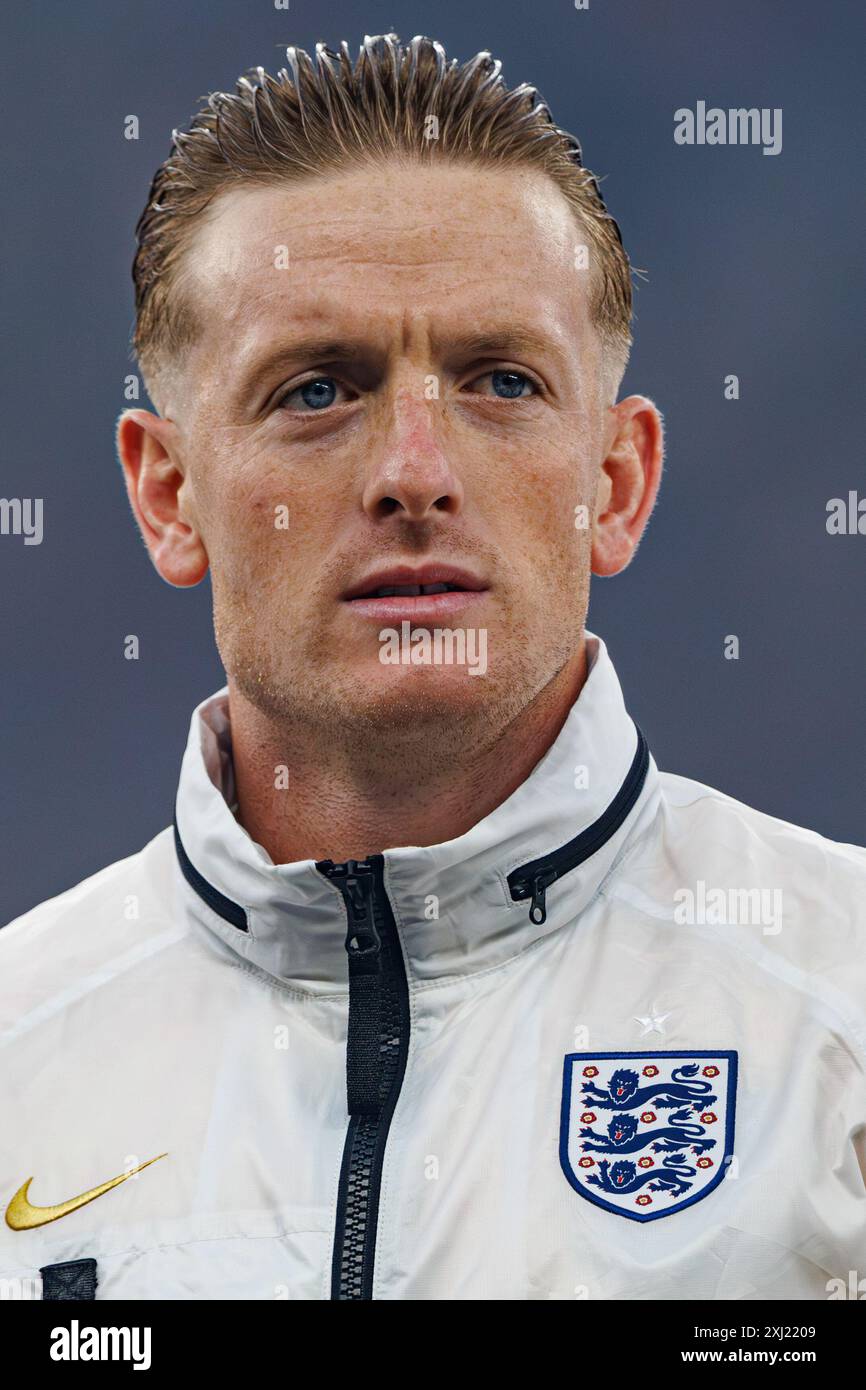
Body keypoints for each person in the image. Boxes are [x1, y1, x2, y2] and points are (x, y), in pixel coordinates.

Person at [1, 33, 864, 1302]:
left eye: (500, 380)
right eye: (316, 391)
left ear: (614, 483)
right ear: (169, 491)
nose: (415, 468)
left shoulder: (838, 997)